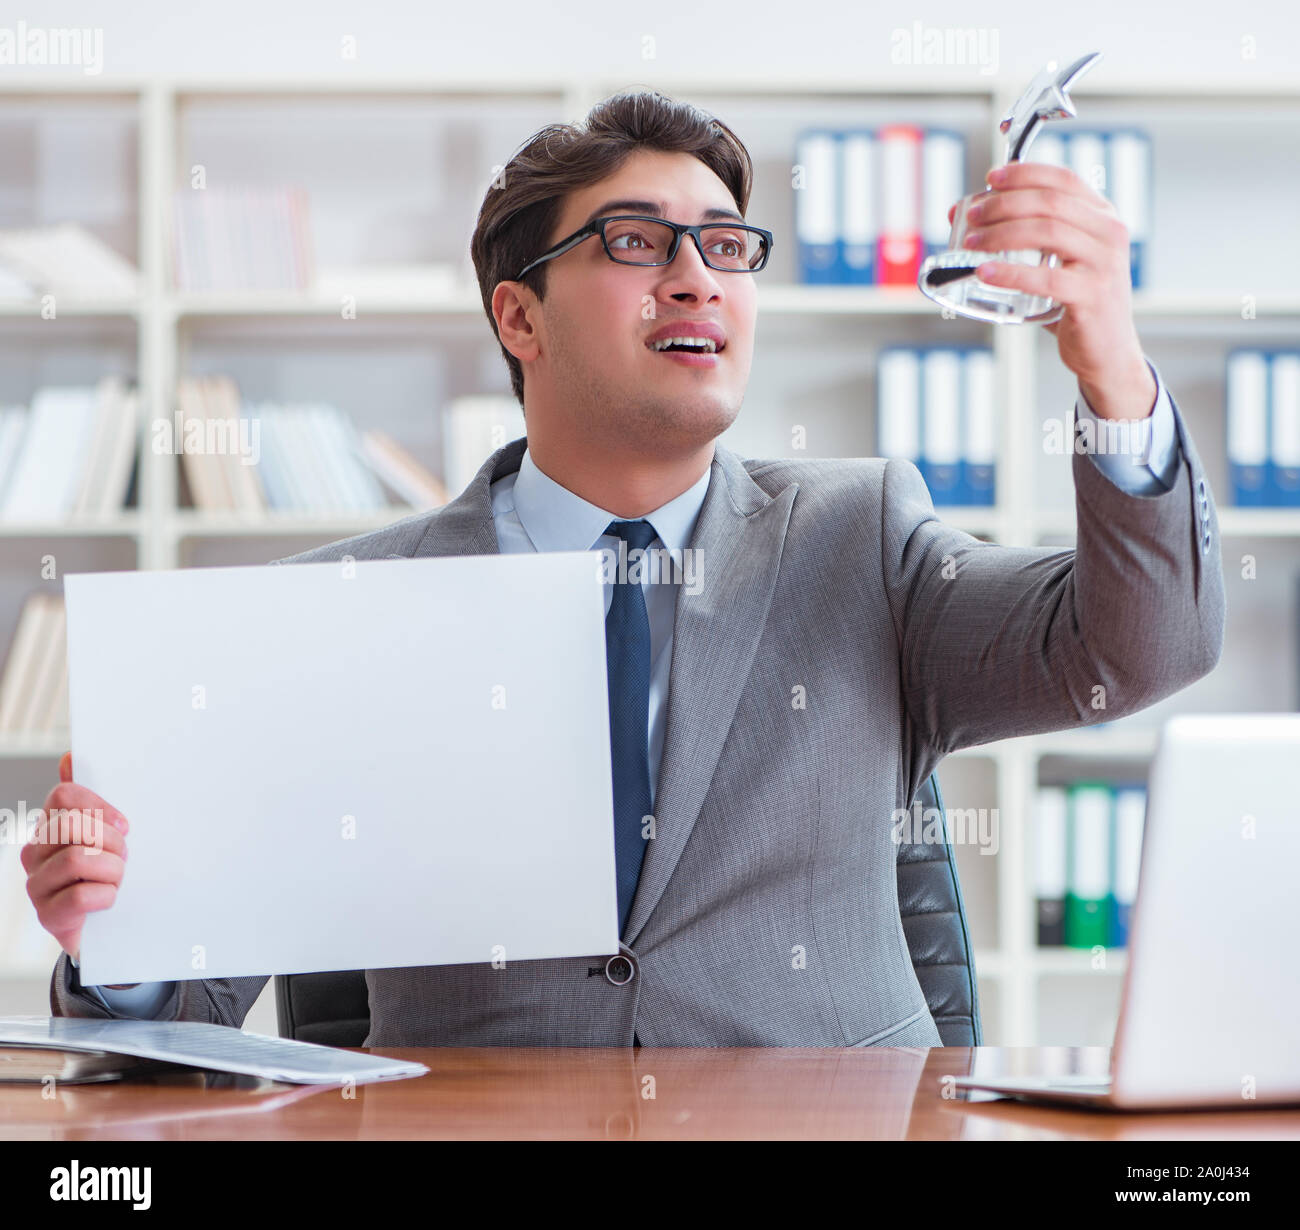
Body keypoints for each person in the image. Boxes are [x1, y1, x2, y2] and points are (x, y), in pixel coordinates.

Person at [28, 90, 1223, 1047]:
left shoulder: (863, 540)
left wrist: (1109, 366)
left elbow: (1140, 649)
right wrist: (110, 940)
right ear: (519, 318)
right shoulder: (344, 612)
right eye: (638, 243)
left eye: (726, 246)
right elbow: (176, 1031)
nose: (699, 275)